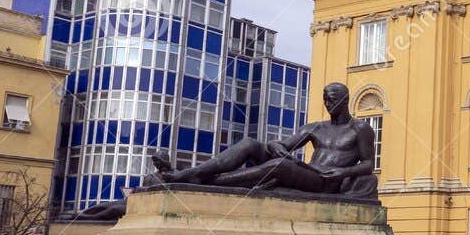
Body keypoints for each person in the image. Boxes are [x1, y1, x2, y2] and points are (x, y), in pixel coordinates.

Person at [149, 81, 379, 201]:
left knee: (279, 166)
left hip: (326, 181)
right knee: (250, 143)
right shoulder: (316, 127)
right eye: (325, 100)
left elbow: (368, 165)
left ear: (345, 100)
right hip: (306, 171)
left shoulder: (360, 129)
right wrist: (278, 147)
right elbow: (280, 145)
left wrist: (343, 173)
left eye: (332, 100)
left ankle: (194, 178)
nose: (328, 105)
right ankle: (196, 173)